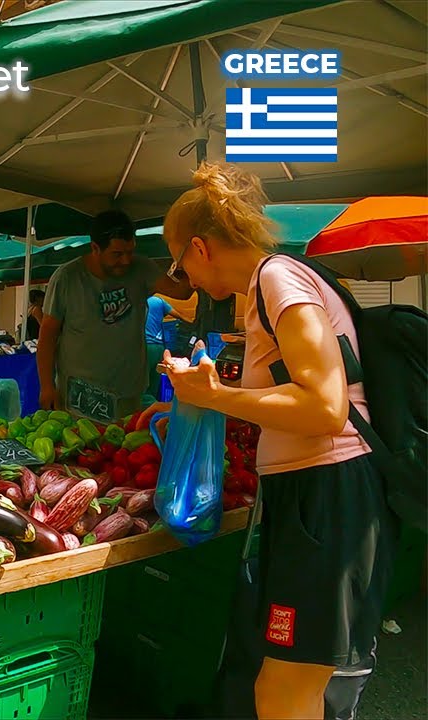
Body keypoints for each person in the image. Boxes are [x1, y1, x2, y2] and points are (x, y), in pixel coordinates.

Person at [156, 162, 393, 720]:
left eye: (179, 263)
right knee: (285, 685)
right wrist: (190, 401)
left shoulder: (277, 279)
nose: (184, 279)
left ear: (199, 248)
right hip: (317, 498)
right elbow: (293, 401)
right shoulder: (270, 286)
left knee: (284, 690)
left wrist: (215, 398)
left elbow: (324, 407)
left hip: (328, 499)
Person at [37, 210, 193, 415]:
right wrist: (47, 386)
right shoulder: (67, 278)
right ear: (95, 248)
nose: (126, 260)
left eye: (130, 252)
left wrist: (189, 255)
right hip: (80, 395)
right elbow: (47, 335)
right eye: (117, 254)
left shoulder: (141, 268)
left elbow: (181, 291)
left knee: (124, 446)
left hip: (128, 392)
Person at [144, 295, 185, 397]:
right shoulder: (159, 301)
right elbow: (179, 316)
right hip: (159, 348)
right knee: (154, 386)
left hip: (143, 347)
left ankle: (144, 409)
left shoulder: (136, 301)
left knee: (141, 386)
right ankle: (153, 408)